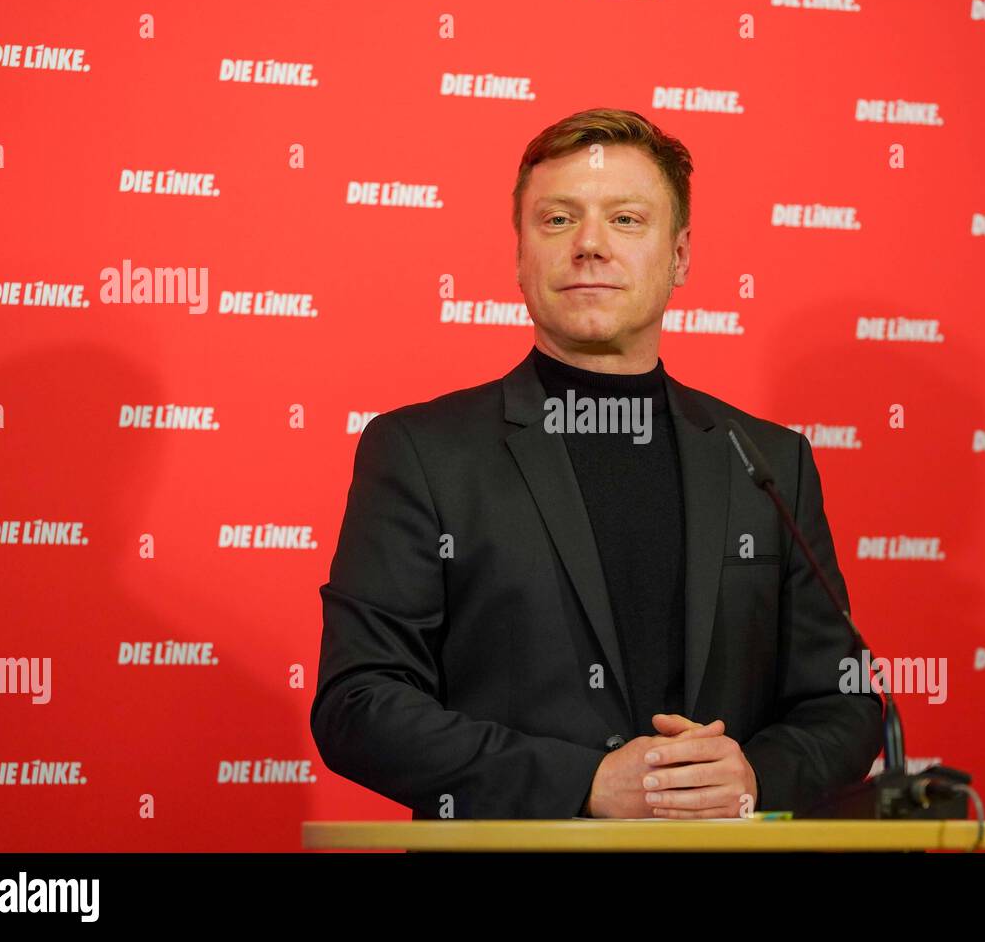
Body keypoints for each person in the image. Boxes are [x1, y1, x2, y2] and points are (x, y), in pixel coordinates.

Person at [310, 108, 882, 819]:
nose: (588, 245)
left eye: (627, 220)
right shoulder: (423, 452)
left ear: (679, 256)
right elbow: (358, 704)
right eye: (556, 220)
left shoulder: (768, 461)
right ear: (519, 255)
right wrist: (581, 784)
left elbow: (845, 701)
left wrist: (754, 777)